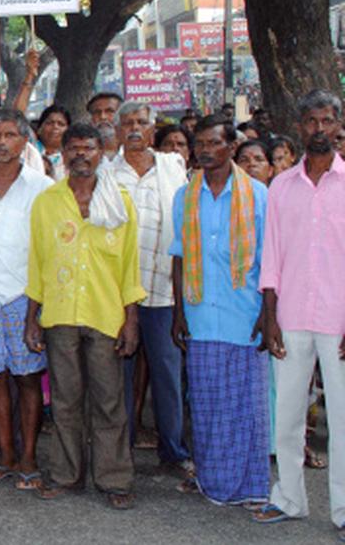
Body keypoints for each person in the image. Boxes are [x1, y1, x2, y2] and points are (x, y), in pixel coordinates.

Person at [24, 123, 146, 510]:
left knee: (109, 402)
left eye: (88, 148)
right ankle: (65, 475)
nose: (80, 154)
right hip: (60, 315)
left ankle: (114, 478)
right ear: (63, 153)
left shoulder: (119, 199)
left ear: (100, 152)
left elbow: (130, 266)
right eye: (73, 148)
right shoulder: (47, 201)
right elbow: (37, 263)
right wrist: (32, 318)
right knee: (64, 400)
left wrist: (131, 321)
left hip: (105, 315)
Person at [254, 90, 345, 536]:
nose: (319, 129)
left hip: (339, 319)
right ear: (300, 125)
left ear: (338, 125)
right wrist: (270, 317)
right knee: (287, 415)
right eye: (311, 121)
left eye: (326, 120)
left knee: (344, 420)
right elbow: (270, 256)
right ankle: (289, 498)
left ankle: (344, 512)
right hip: (290, 315)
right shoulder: (282, 186)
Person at [170, 114, 270, 506]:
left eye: (215, 143)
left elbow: (270, 260)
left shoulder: (258, 195)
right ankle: (213, 480)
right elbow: (178, 256)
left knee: (245, 405)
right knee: (208, 404)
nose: (206, 151)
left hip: (244, 314)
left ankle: (248, 484)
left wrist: (268, 313)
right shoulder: (185, 195)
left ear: (232, 147)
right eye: (201, 144)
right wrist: (179, 312)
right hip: (199, 314)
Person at [0, 109, 52, 490]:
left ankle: (29, 457)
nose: (1, 142)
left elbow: (49, 251)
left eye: (9, 135)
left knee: (29, 379)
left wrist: (37, 310)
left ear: (24, 140)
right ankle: (4, 455)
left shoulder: (42, 188)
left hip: (24, 298)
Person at [109, 102, 192, 476]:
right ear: (116, 129)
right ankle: (118, 450)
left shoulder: (172, 167)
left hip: (162, 291)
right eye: (127, 123)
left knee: (167, 372)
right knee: (117, 376)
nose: (134, 129)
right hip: (117, 294)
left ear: (153, 127)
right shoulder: (106, 173)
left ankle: (172, 451)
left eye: (142, 122)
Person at [36, 104, 69, 179]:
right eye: (50, 123)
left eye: (61, 124)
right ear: (39, 129)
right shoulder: (28, 150)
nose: (55, 127)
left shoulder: (69, 159)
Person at [87, 92, 123, 159]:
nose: (103, 117)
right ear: (90, 119)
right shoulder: (84, 155)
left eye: (110, 111)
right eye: (97, 112)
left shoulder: (136, 151)